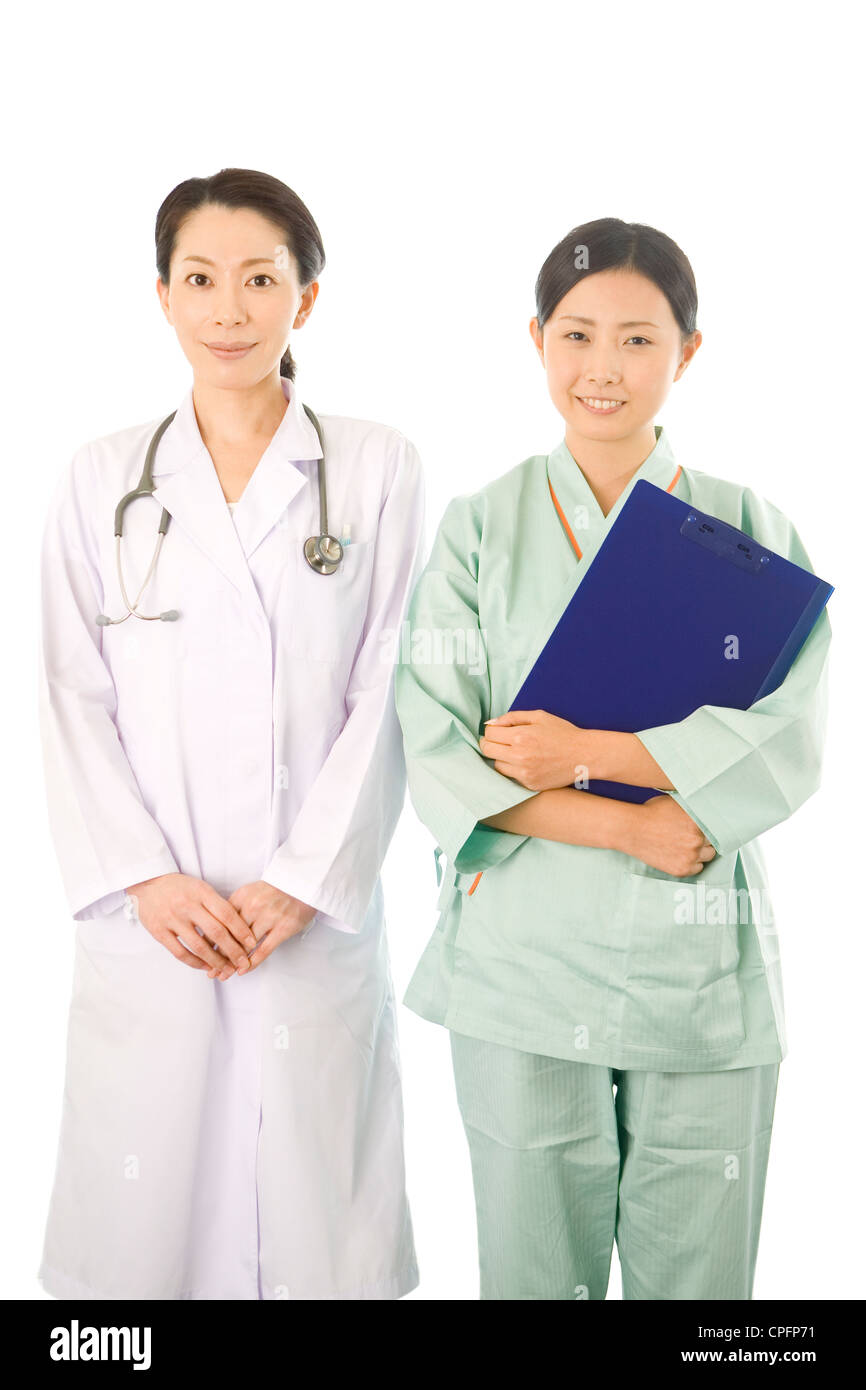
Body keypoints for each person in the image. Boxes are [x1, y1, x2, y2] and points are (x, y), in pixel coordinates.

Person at [394, 217, 831, 1301]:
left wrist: (585, 750)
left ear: (687, 351)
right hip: (523, 958)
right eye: (577, 334)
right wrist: (631, 813)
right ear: (535, 339)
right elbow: (438, 746)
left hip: (692, 966)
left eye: (637, 340)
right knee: (533, 1269)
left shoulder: (745, 527)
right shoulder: (478, 527)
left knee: (699, 1284)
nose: (602, 368)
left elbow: (790, 733)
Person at [37, 167, 423, 1301]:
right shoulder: (102, 477)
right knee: (145, 1239)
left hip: (306, 925)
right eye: (200, 279)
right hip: (155, 928)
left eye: (260, 279)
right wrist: (144, 879)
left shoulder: (374, 466)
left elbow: (390, 683)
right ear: (161, 295)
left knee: (314, 1230)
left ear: (305, 298)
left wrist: (305, 880)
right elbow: (69, 695)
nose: (228, 309)